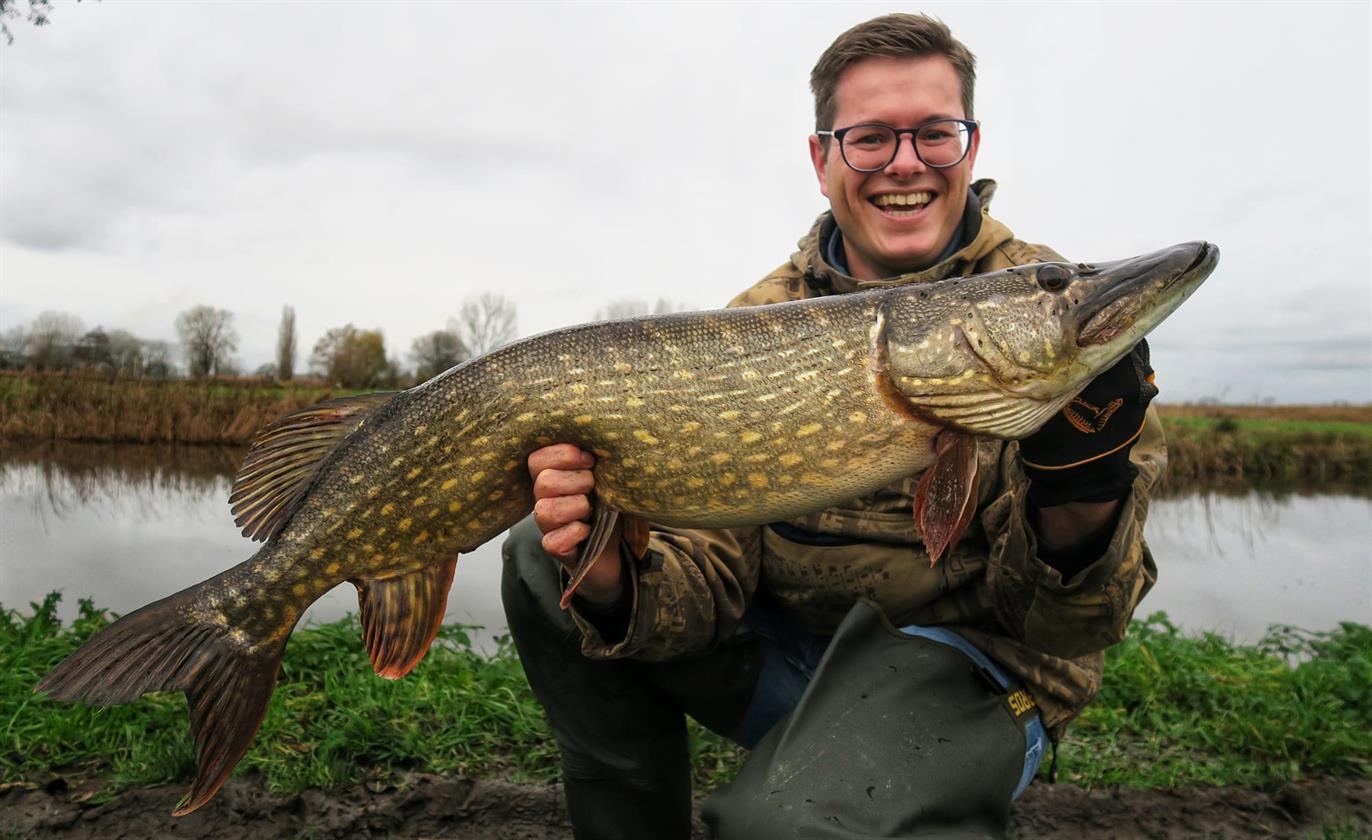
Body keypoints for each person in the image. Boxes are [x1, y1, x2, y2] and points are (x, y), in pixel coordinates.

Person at [501, 13, 1165, 839]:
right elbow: (711, 571)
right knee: (539, 555)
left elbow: (1075, 629)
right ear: (823, 161)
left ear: (970, 147)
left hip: (977, 681)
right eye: (870, 138)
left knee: (784, 829)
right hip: (796, 660)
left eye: (934, 134)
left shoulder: (1042, 311)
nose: (905, 162)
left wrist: (1080, 495)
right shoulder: (756, 324)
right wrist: (610, 580)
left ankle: (862, 798)